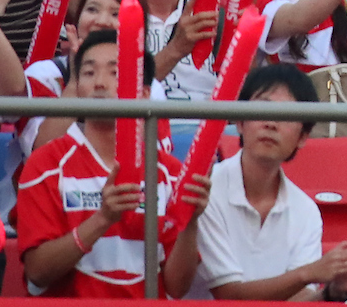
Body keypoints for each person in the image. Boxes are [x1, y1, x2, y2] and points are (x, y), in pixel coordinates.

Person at [15, 29, 210, 296]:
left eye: (115, 73)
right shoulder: (45, 165)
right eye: (88, 72)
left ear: (143, 93)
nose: (99, 83)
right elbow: (37, 273)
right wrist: (103, 219)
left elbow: (176, 288)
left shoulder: (171, 174)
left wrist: (191, 222)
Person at [195, 62, 347, 299]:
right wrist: (309, 273)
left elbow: (297, 299)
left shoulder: (306, 210)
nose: (271, 123)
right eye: (263, 109)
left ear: (303, 137)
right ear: (240, 122)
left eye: (286, 115)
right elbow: (229, 296)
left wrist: (331, 294)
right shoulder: (207, 190)